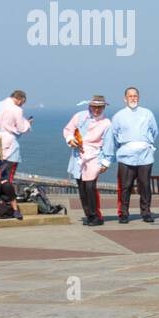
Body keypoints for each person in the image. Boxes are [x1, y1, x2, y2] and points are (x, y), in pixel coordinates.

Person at [109, 86, 159, 223]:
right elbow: (113, 136)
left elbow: (154, 131)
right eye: (130, 96)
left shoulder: (147, 113)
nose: (133, 98)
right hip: (126, 155)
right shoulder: (118, 116)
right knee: (125, 186)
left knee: (145, 185)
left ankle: (146, 212)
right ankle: (124, 213)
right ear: (125, 99)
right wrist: (123, 148)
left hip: (145, 155)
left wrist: (146, 143)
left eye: (135, 96)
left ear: (139, 98)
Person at [63, 96, 112, 226]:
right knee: (82, 187)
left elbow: (108, 143)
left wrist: (106, 162)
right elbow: (68, 130)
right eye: (94, 106)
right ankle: (89, 215)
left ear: (104, 107)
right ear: (89, 106)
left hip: (95, 156)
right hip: (78, 155)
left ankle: (96, 215)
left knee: (90, 186)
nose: (97, 109)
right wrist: (70, 139)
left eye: (100, 107)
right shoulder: (79, 116)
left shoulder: (107, 123)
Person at [0, 90, 32, 172]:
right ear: (20, 100)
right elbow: (22, 128)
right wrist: (28, 124)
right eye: (22, 103)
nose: (22, 105)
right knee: (8, 170)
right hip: (9, 141)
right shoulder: (17, 109)